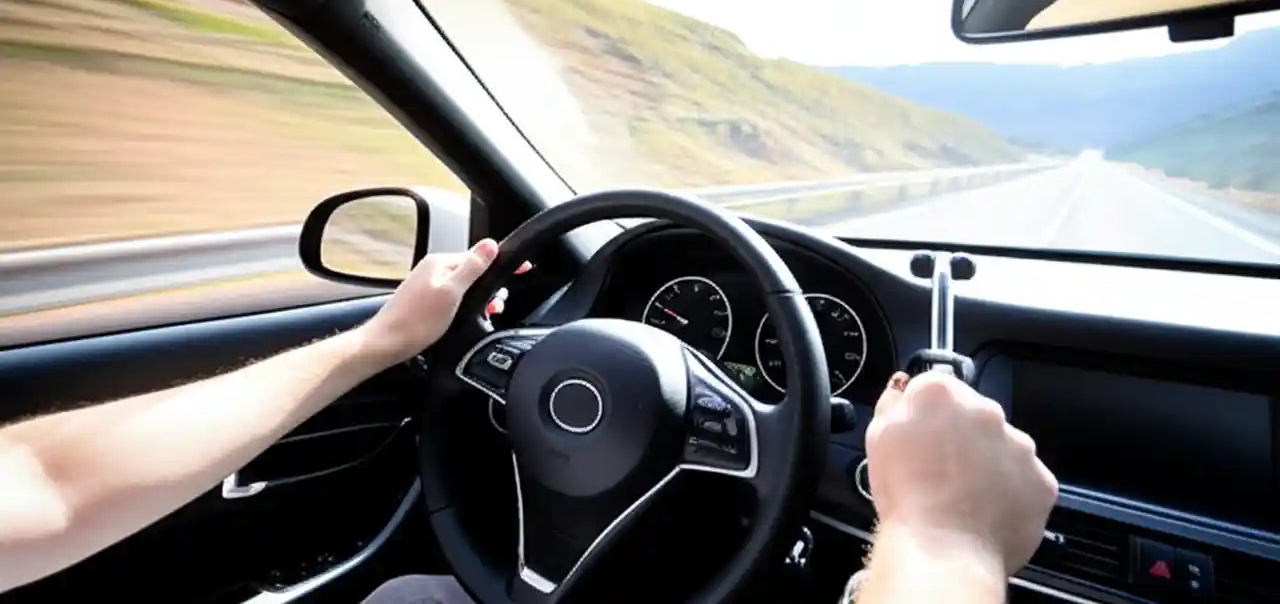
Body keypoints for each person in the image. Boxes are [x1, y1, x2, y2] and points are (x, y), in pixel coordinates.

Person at [0, 238, 1057, 603]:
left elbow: (48, 488)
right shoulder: (936, 524)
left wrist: (379, 344)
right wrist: (941, 537)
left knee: (422, 594)